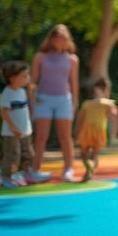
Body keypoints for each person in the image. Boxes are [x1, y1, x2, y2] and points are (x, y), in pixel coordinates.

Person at [30, 24, 80, 181]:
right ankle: (34, 170)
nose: (59, 41)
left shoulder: (72, 59)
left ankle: (68, 169)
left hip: (64, 99)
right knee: (40, 137)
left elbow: (74, 82)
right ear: (51, 39)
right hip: (43, 99)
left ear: (67, 40)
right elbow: (33, 81)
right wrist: (31, 101)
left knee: (65, 136)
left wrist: (75, 102)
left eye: (63, 38)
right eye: (56, 38)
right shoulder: (40, 57)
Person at [0, 61, 52, 188]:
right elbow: (4, 112)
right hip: (12, 133)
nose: (27, 78)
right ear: (12, 78)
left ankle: (28, 174)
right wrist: (12, 128)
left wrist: (34, 93)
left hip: (25, 131)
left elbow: (30, 105)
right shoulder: (7, 93)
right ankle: (6, 177)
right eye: (24, 75)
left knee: (28, 153)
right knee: (13, 155)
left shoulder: (22, 92)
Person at [74, 77, 118, 182]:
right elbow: (113, 117)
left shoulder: (87, 104)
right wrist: (113, 134)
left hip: (87, 129)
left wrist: (77, 131)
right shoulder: (108, 103)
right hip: (99, 130)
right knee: (94, 154)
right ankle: (91, 167)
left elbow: (80, 119)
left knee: (84, 152)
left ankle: (88, 168)